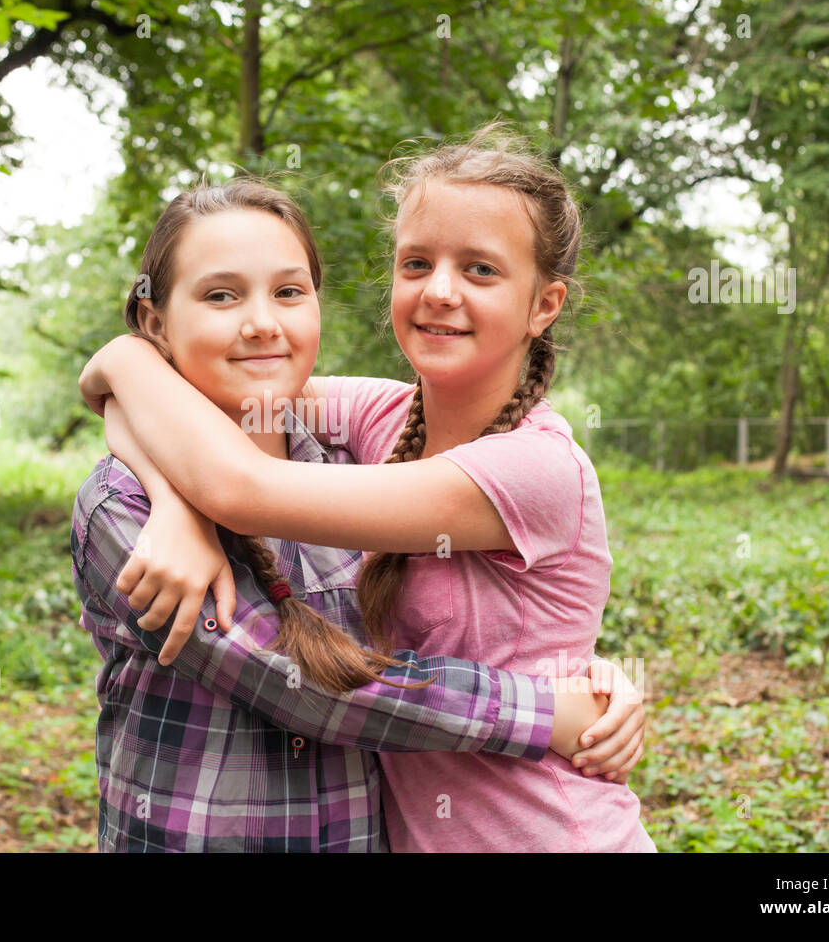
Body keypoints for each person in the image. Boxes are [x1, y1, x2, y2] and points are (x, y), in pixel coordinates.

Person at [79, 124, 656, 851]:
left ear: (545, 305)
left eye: (481, 270)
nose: (440, 291)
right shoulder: (377, 419)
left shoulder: (536, 466)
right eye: (417, 262)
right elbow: (206, 403)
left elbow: (233, 480)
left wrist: (120, 365)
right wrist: (159, 473)